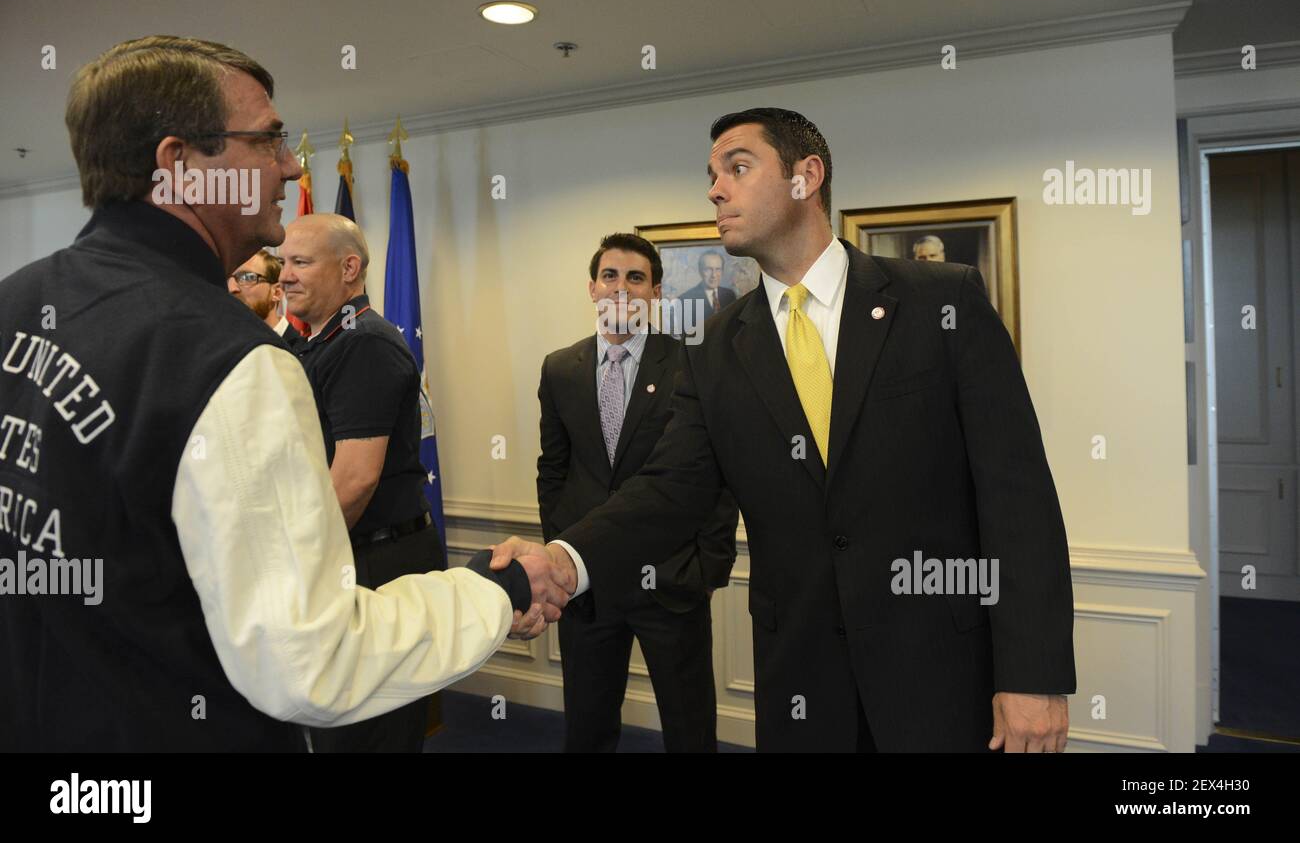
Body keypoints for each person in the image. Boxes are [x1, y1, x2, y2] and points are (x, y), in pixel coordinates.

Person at [0, 35, 556, 752]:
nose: (291, 166)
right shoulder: (225, 355)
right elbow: (310, 662)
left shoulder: (16, 300)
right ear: (179, 165)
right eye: (266, 141)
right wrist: (495, 590)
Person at [499, 108, 1076, 752]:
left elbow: (1018, 497)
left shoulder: (943, 300)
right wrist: (564, 560)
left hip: (941, 677)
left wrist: (1035, 674)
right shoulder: (716, 346)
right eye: (712, 174)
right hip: (802, 688)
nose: (715, 188)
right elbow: (669, 490)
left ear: (806, 177)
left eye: (737, 167)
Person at [538, 232, 737, 752]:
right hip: (587, 585)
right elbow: (553, 469)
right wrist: (562, 552)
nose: (621, 288)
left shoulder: (689, 365)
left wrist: (705, 568)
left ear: (656, 292)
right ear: (592, 288)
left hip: (670, 581)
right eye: (610, 276)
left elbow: (717, 478)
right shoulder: (560, 368)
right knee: (587, 724)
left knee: (689, 726)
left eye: (635, 278)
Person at [281, 212, 444, 752]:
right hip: (352, 556)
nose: (284, 276)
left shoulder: (364, 342)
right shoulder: (314, 342)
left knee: (370, 739)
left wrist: (296, 566)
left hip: (378, 565)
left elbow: (353, 480)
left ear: (350, 268)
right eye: (282, 262)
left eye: (300, 262)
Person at [228, 248, 305, 351]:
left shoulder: (301, 352)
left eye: (247, 277)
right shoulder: (225, 349)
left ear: (277, 292)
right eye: (229, 279)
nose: (232, 288)